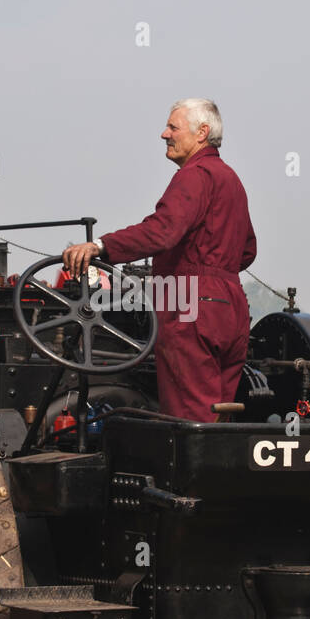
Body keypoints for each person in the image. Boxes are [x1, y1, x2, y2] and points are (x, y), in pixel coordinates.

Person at [62, 99, 256, 421]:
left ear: (201, 133)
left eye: (173, 127)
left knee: (188, 418)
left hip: (190, 303)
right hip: (231, 306)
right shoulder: (231, 179)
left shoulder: (195, 175)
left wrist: (100, 246)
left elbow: (162, 232)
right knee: (218, 416)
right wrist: (213, 271)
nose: (163, 134)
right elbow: (248, 250)